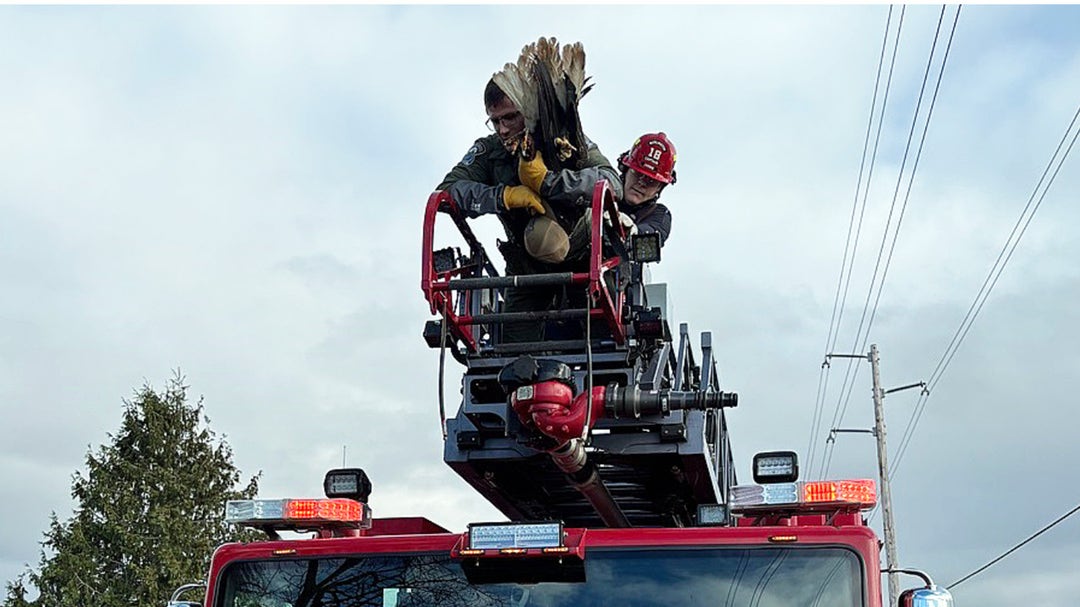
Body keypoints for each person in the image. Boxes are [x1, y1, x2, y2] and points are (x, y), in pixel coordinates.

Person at [437, 79, 621, 344]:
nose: (502, 129)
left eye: (510, 117)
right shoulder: (489, 152)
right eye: (495, 120)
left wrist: (548, 182)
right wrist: (504, 196)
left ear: (528, 110)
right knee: (513, 348)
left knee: (607, 344)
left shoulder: (567, 139)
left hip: (586, 259)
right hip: (527, 268)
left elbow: (611, 183)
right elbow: (448, 191)